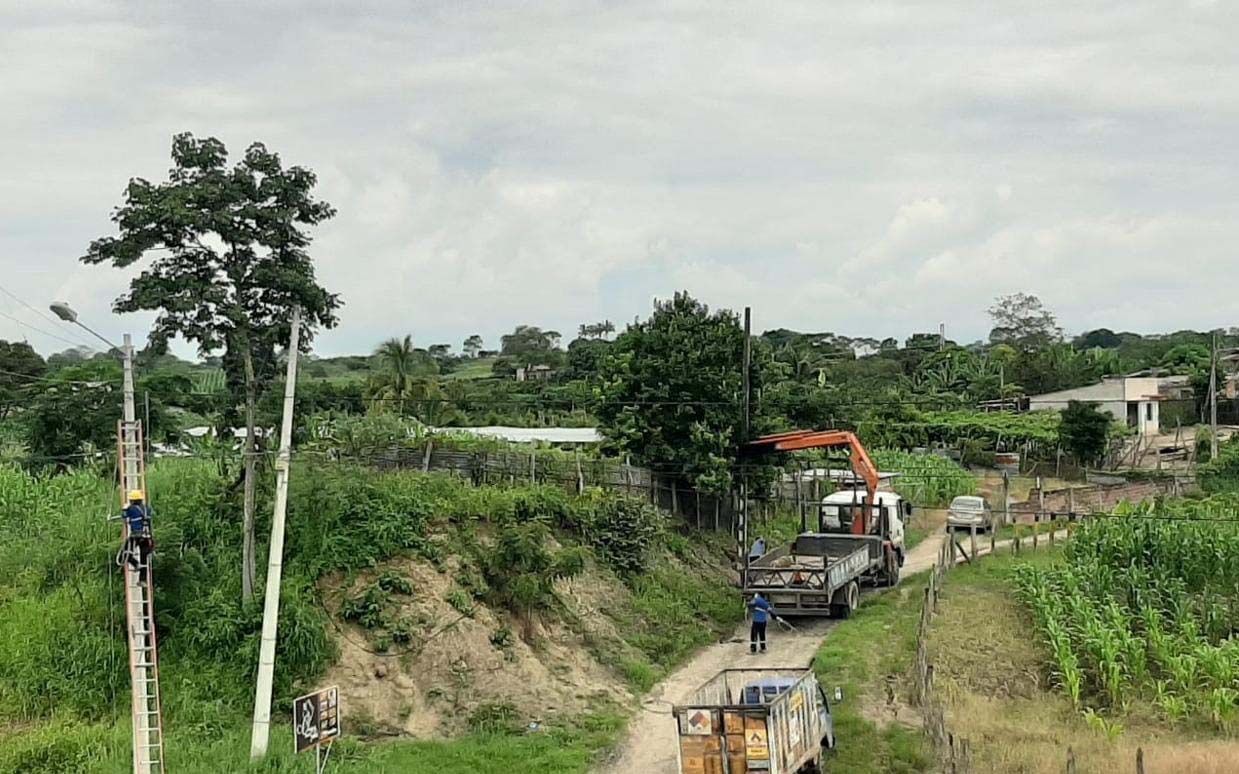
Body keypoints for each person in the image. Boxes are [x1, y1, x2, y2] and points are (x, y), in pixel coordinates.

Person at [121, 490, 152, 570]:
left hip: (135, 535)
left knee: (125, 554)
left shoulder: (131, 509)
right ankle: (142, 580)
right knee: (144, 558)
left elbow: (124, 516)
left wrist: (124, 509)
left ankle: (136, 564)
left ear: (133, 500)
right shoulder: (147, 509)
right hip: (147, 536)